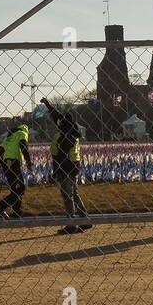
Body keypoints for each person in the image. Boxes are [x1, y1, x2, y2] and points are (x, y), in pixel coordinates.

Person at [40, 98, 91, 234]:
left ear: (65, 124)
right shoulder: (72, 132)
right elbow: (57, 116)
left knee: (68, 196)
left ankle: (71, 224)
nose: (58, 123)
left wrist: (56, 172)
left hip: (66, 168)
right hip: (72, 167)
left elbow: (60, 156)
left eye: (61, 122)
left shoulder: (67, 137)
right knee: (74, 194)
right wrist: (48, 105)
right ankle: (84, 220)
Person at [0, 122, 32, 219]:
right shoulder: (22, 133)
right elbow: (23, 147)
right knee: (21, 188)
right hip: (14, 162)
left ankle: (16, 212)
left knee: (16, 189)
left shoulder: (8, 137)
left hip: (8, 163)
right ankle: (1, 206)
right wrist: (29, 164)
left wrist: (5, 165)